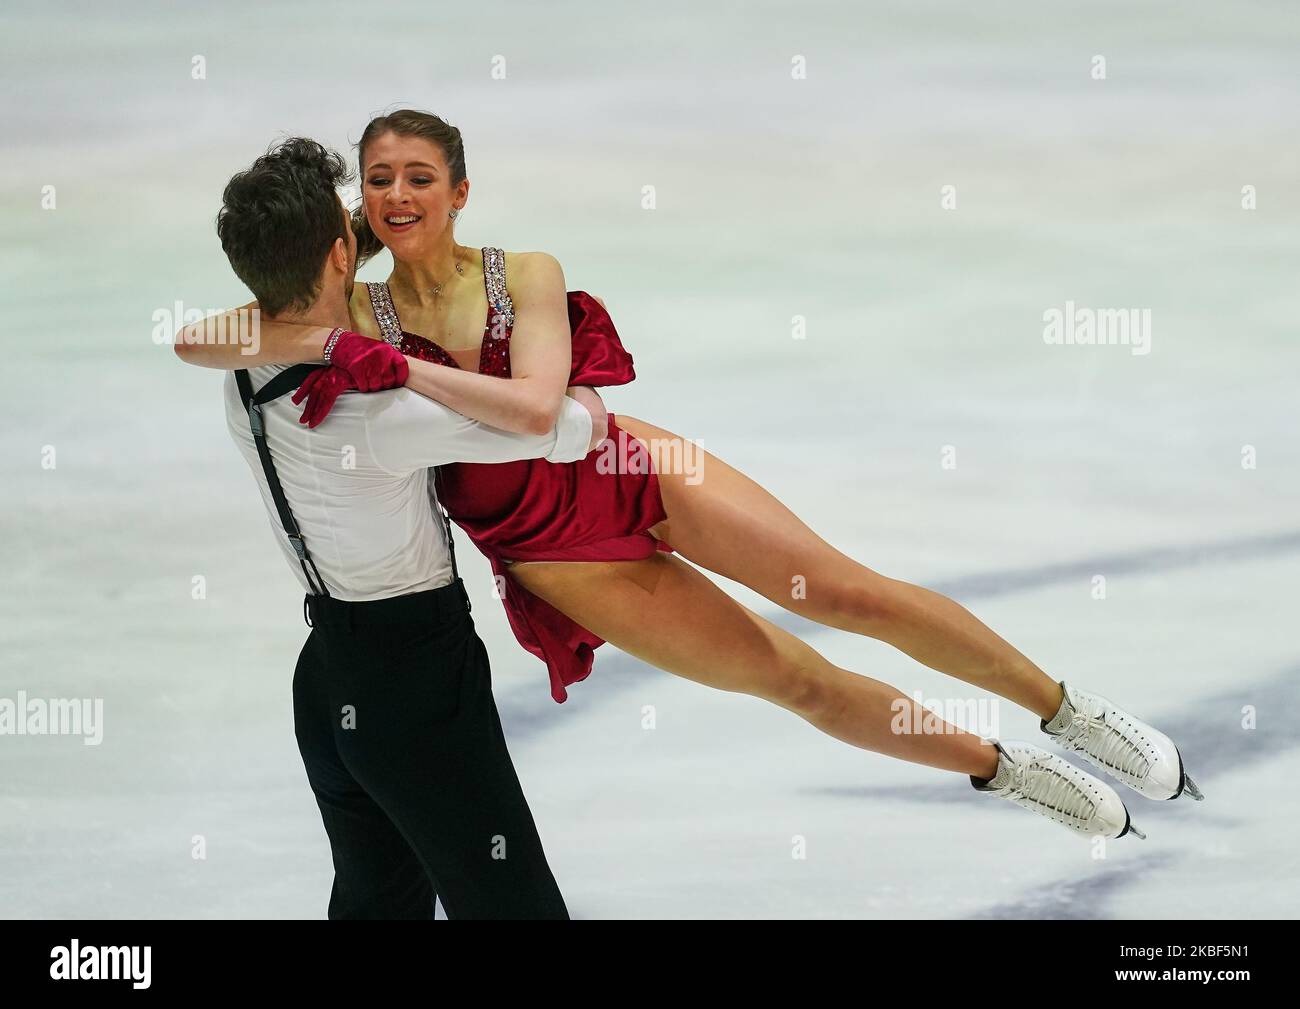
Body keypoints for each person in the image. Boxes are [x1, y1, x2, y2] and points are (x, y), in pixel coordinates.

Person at [178, 112, 1204, 846]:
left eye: (418, 175)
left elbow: (542, 412)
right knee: (792, 679)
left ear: (458, 190)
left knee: (846, 591)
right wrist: (320, 335)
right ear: (357, 211)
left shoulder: (516, 273)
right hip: (549, 553)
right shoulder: (345, 310)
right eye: (379, 179)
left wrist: (400, 367)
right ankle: (1001, 768)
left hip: (630, 465)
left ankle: (1065, 710)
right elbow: (196, 338)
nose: (397, 194)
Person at [187, 137, 610, 919]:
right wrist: (579, 378)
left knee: (377, 901)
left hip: (329, 676)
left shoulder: (242, 365)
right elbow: (563, 428)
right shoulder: (380, 413)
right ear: (343, 253)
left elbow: (200, 334)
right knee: (511, 901)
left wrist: (336, 336)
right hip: (415, 683)